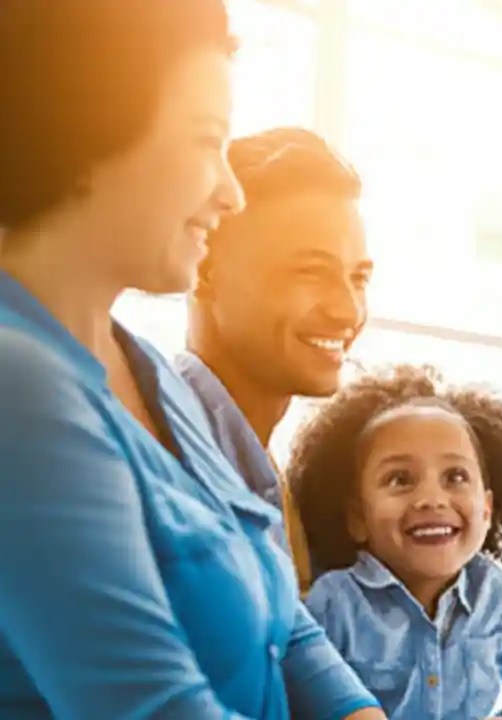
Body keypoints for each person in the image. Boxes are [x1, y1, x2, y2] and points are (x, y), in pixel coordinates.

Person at [0, 2, 384, 718]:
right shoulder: (17, 387)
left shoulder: (144, 369)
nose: (227, 190)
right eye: (207, 142)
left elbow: (270, 595)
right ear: (91, 133)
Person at [289, 364, 502, 720]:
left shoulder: (494, 596)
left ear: (486, 510)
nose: (432, 499)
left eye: (455, 476)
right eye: (400, 479)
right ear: (358, 517)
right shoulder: (334, 605)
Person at [179, 125, 371, 590]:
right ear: (204, 268)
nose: (347, 309)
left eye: (358, 279)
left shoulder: (269, 476)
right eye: (311, 272)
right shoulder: (164, 451)